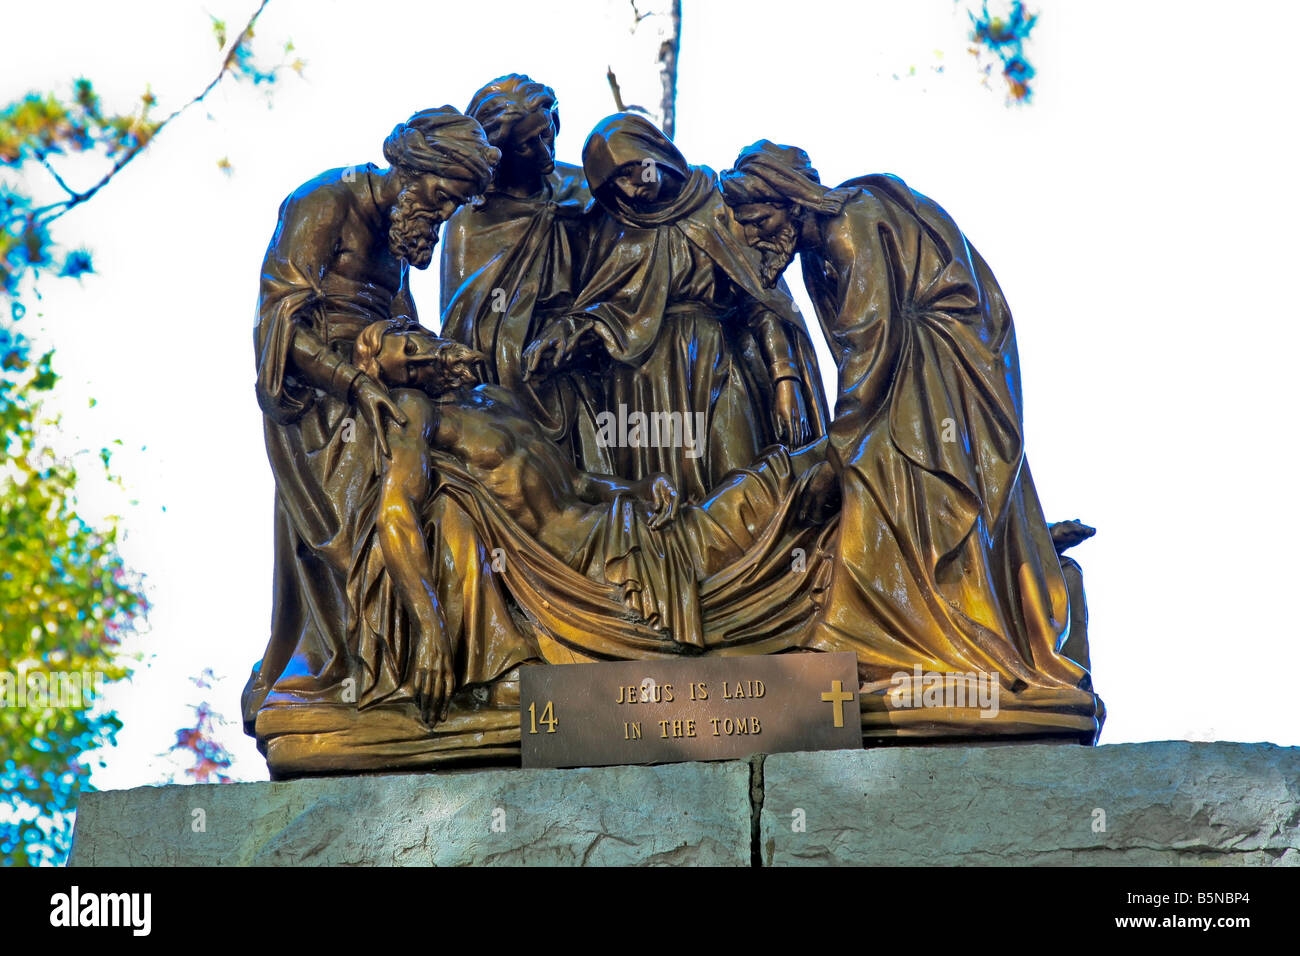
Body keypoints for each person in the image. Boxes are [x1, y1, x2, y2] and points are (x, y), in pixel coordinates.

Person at [719, 141, 1103, 739]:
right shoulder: (820, 250)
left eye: (758, 217)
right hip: (909, 375)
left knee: (883, 477)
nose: (752, 233)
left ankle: (889, 644)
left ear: (789, 199)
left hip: (932, 374)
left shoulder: (849, 225)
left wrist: (834, 450)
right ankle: (908, 637)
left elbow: (872, 346)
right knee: (889, 482)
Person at [243, 107, 540, 734]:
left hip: (382, 392)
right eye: (444, 196)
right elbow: (278, 324)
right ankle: (385, 668)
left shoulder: (400, 235)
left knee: (473, 462)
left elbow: (398, 326)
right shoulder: (325, 202)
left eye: (456, 203)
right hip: (319, 407)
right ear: (414, 171)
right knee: (405, 493)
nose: (445, 214)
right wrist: (357, 385)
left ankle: (481, 658)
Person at [353, 318, 835, 672]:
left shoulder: (495, 400)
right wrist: (430, 625)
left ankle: (854, 462)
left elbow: (578, 482)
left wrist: (637, 487)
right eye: (408, 369)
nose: (423, 360)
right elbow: (396, 512)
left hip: (621, 526)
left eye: (413, 345)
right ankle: (860, 452)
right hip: (591, 567)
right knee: (762, 497)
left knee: (764, 492)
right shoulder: (416, 411)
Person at [523, 113, 829, 504]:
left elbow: (762, 301)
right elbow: (604, 309)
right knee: (664, 507)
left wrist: (786, 379)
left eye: (632, 172)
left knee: (742, 480)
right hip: (638, 382)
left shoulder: (721, 204)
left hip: (713, 362)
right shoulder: (618, 230)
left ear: (655, 152)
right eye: (616, 184)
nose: (631, 190)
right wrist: (564, 333)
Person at [439, 75, 598, 459]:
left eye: (549, 134)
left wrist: (578, 326)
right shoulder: (471, 218)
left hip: (587, 347)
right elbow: (463, 320)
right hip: (513, 368)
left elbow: (620, 278)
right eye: (529, 145)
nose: (546, 153)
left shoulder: (585, 188)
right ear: (498, 153)